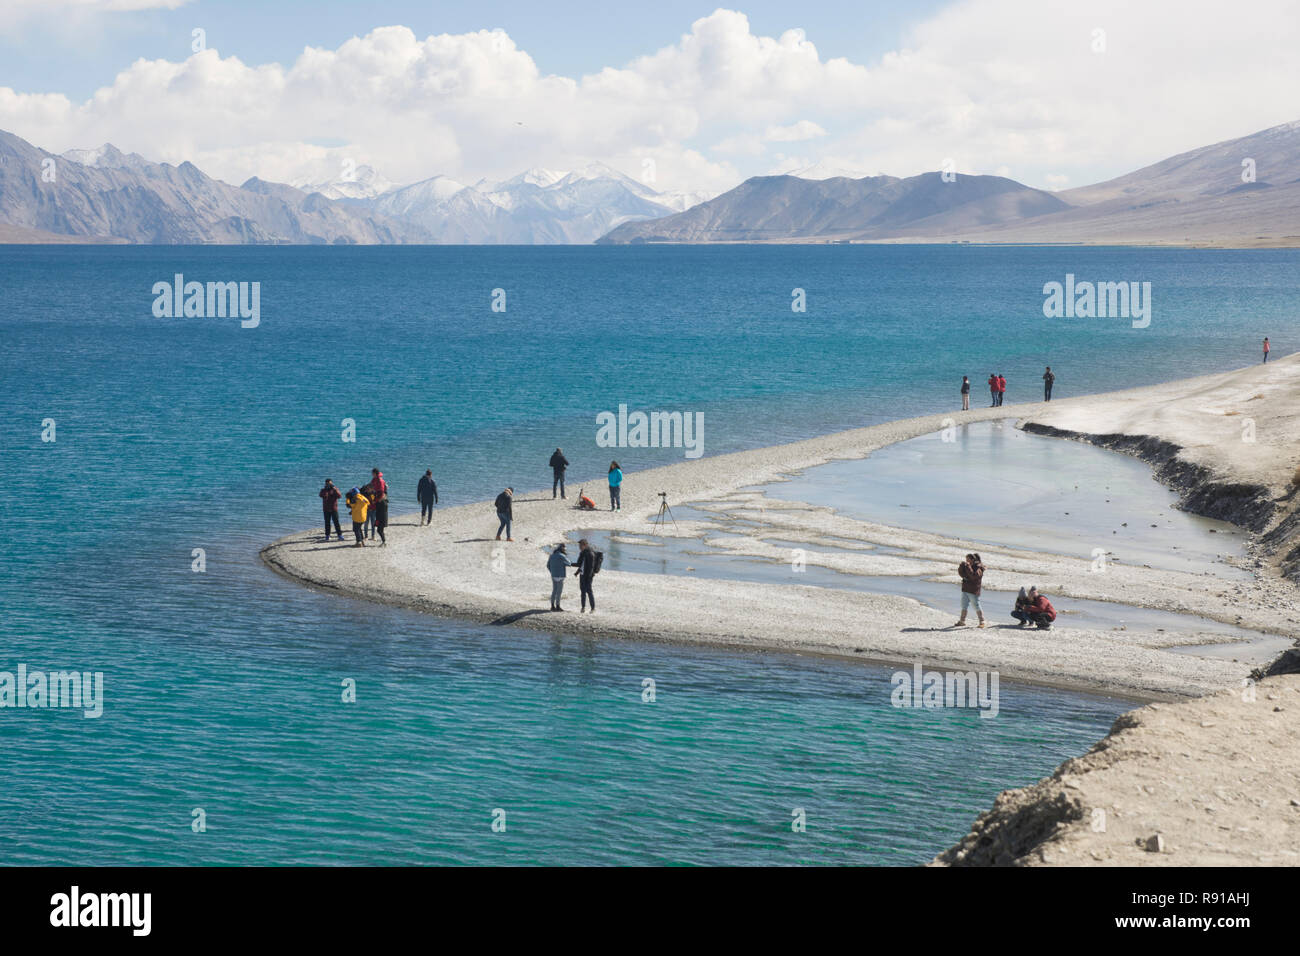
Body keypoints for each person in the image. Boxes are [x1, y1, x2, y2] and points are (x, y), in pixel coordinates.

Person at [956, 553, 986, 628]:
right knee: (964, 605)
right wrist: (961, 567)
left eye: (968, 559)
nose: (967, 561)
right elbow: (962, 574)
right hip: (965, 589)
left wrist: (968, 566)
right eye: (966, 559)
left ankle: (982, 621)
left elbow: (973, 576)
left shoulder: (979, 568)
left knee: (976, 605)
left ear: (973, 559)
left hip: (973, 590)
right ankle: (962, 621)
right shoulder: (968, 566)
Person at [547, 543, 572, 611]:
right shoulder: (562, 556)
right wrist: (564, 563)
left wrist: (552, 572)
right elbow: (569, 563)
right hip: (561, 575)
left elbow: (548, 565)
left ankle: (552, 606)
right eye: (564, 549)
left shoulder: (551, 555)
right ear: (562, 549)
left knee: (554, 591)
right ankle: (558, 606)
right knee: (559, 592)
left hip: (554, 575)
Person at [575, 538, 597, 612]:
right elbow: (580, 564)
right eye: (580, 545)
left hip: (588, 576)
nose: (580, 547)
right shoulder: (582, 553)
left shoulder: (590, 553)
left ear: (586, 545)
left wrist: (589, 577)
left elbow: (591, 567)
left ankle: (593, 608)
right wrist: (577, 572)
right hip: (582, 575)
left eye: (581, 545)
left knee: (589, 591)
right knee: (583, 591)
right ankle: (583, 607)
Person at [370, 478, 388, 546]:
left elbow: (380, 510)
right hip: (381, 518)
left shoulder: (382, 503)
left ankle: (384, 542)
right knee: (380, 530)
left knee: (379, 530)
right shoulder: (384, 502)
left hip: (381, 519)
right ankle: (384, 542)